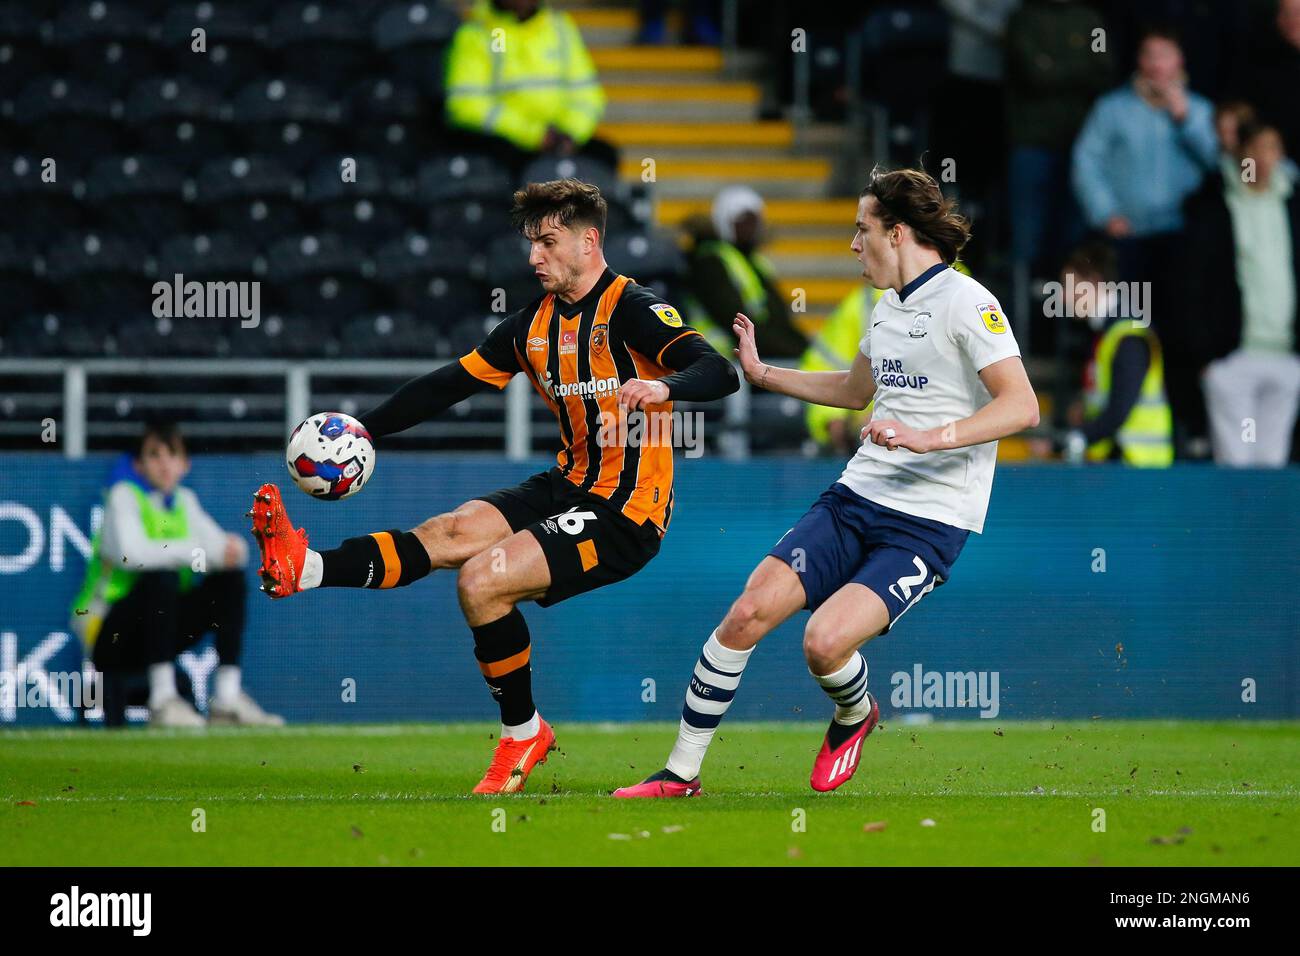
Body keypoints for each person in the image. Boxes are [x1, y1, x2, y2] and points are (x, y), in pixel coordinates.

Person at [250, 179, 739, 794]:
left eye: (548, 242)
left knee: (481, 580)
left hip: (626, 512)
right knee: (448, 533)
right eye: (531, 243)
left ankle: (521, 734)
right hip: (568, 484)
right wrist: (364, 431)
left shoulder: (632, 309)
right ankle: (307, 568)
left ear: (590, 242)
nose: (534, 257)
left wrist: (665, 386)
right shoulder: (530, 326)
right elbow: (450, 383)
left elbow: (718, 370)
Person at [614, 167, 1039, 797]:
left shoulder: (968, 302)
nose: (851, 244)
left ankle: (855, 713)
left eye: (861, 229)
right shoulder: (886, 306)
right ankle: (679, 773)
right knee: (748, 611)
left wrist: (930, 437)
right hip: (857, 495)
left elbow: (1022, 406)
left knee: (823, 642)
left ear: (897, 233)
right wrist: (764, 374)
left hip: (930, 520)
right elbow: (853, 391)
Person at [70, 421, 281, 728]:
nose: (164, 464)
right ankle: (162, 700)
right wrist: (198, 550)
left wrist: (227, 550)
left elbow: (231, 553)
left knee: (229, 580)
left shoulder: (185, 501)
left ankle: (226, 698)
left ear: (185, 464)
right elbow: (133, 555)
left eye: (172, 455)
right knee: (161, 578)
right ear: (139, 465)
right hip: (109, 636)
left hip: (159, 632)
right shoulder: (123, 496)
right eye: (154, 455)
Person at [1071, 23, 1218, 453]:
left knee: (1180, 333)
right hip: (1130, 243)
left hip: (1181, 245)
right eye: (1149, 55)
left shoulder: (1199, 110)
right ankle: (1111, 427)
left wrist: (1184, 117)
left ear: (1180, 61)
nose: (1156, 65)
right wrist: (1105, 213)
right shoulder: (1113, 108)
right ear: (1140, 60)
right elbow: (1086, 161)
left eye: (1165, 56)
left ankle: (1186, 428)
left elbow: (1220, 164)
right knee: (1130, 333)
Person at [1183, 120, 1300, 466]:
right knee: (1235, 464)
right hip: (1232, 356)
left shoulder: (1292, 205)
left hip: (1286, 354)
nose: (1265, 158)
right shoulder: (1213, 207)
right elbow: (1191, 283)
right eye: (1257, 149)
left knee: (1273, 463)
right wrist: (1206, 356)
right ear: (1241, 153)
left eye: (1272, 149)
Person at [443, 0, 618, 173]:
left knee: (603, 154)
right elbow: (465, 105)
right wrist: (534, 135)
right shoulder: (476, 33)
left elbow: (588, 95)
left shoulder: (560, 28)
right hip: (507, 144)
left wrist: (569, 135)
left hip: (559, 139)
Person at [1053, 242, 1174, 466]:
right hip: (1121, 464)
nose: (1062, 298)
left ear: (1094, 282)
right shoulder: (1107, 333)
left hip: (1138, 467)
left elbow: (1120, 409)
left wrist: (1074, 437)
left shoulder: (1128, 335)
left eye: (1068, 286)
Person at [682, 186, 807, 359]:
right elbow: (733, 318)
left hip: (751, 355)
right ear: (723, 221)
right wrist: (795, 352)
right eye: (742, 220)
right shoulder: (709, 262)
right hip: (720, 358)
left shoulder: (754, 261)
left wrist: (804, 349)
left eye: (755, 220)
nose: (750, 227)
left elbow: (778, 316)